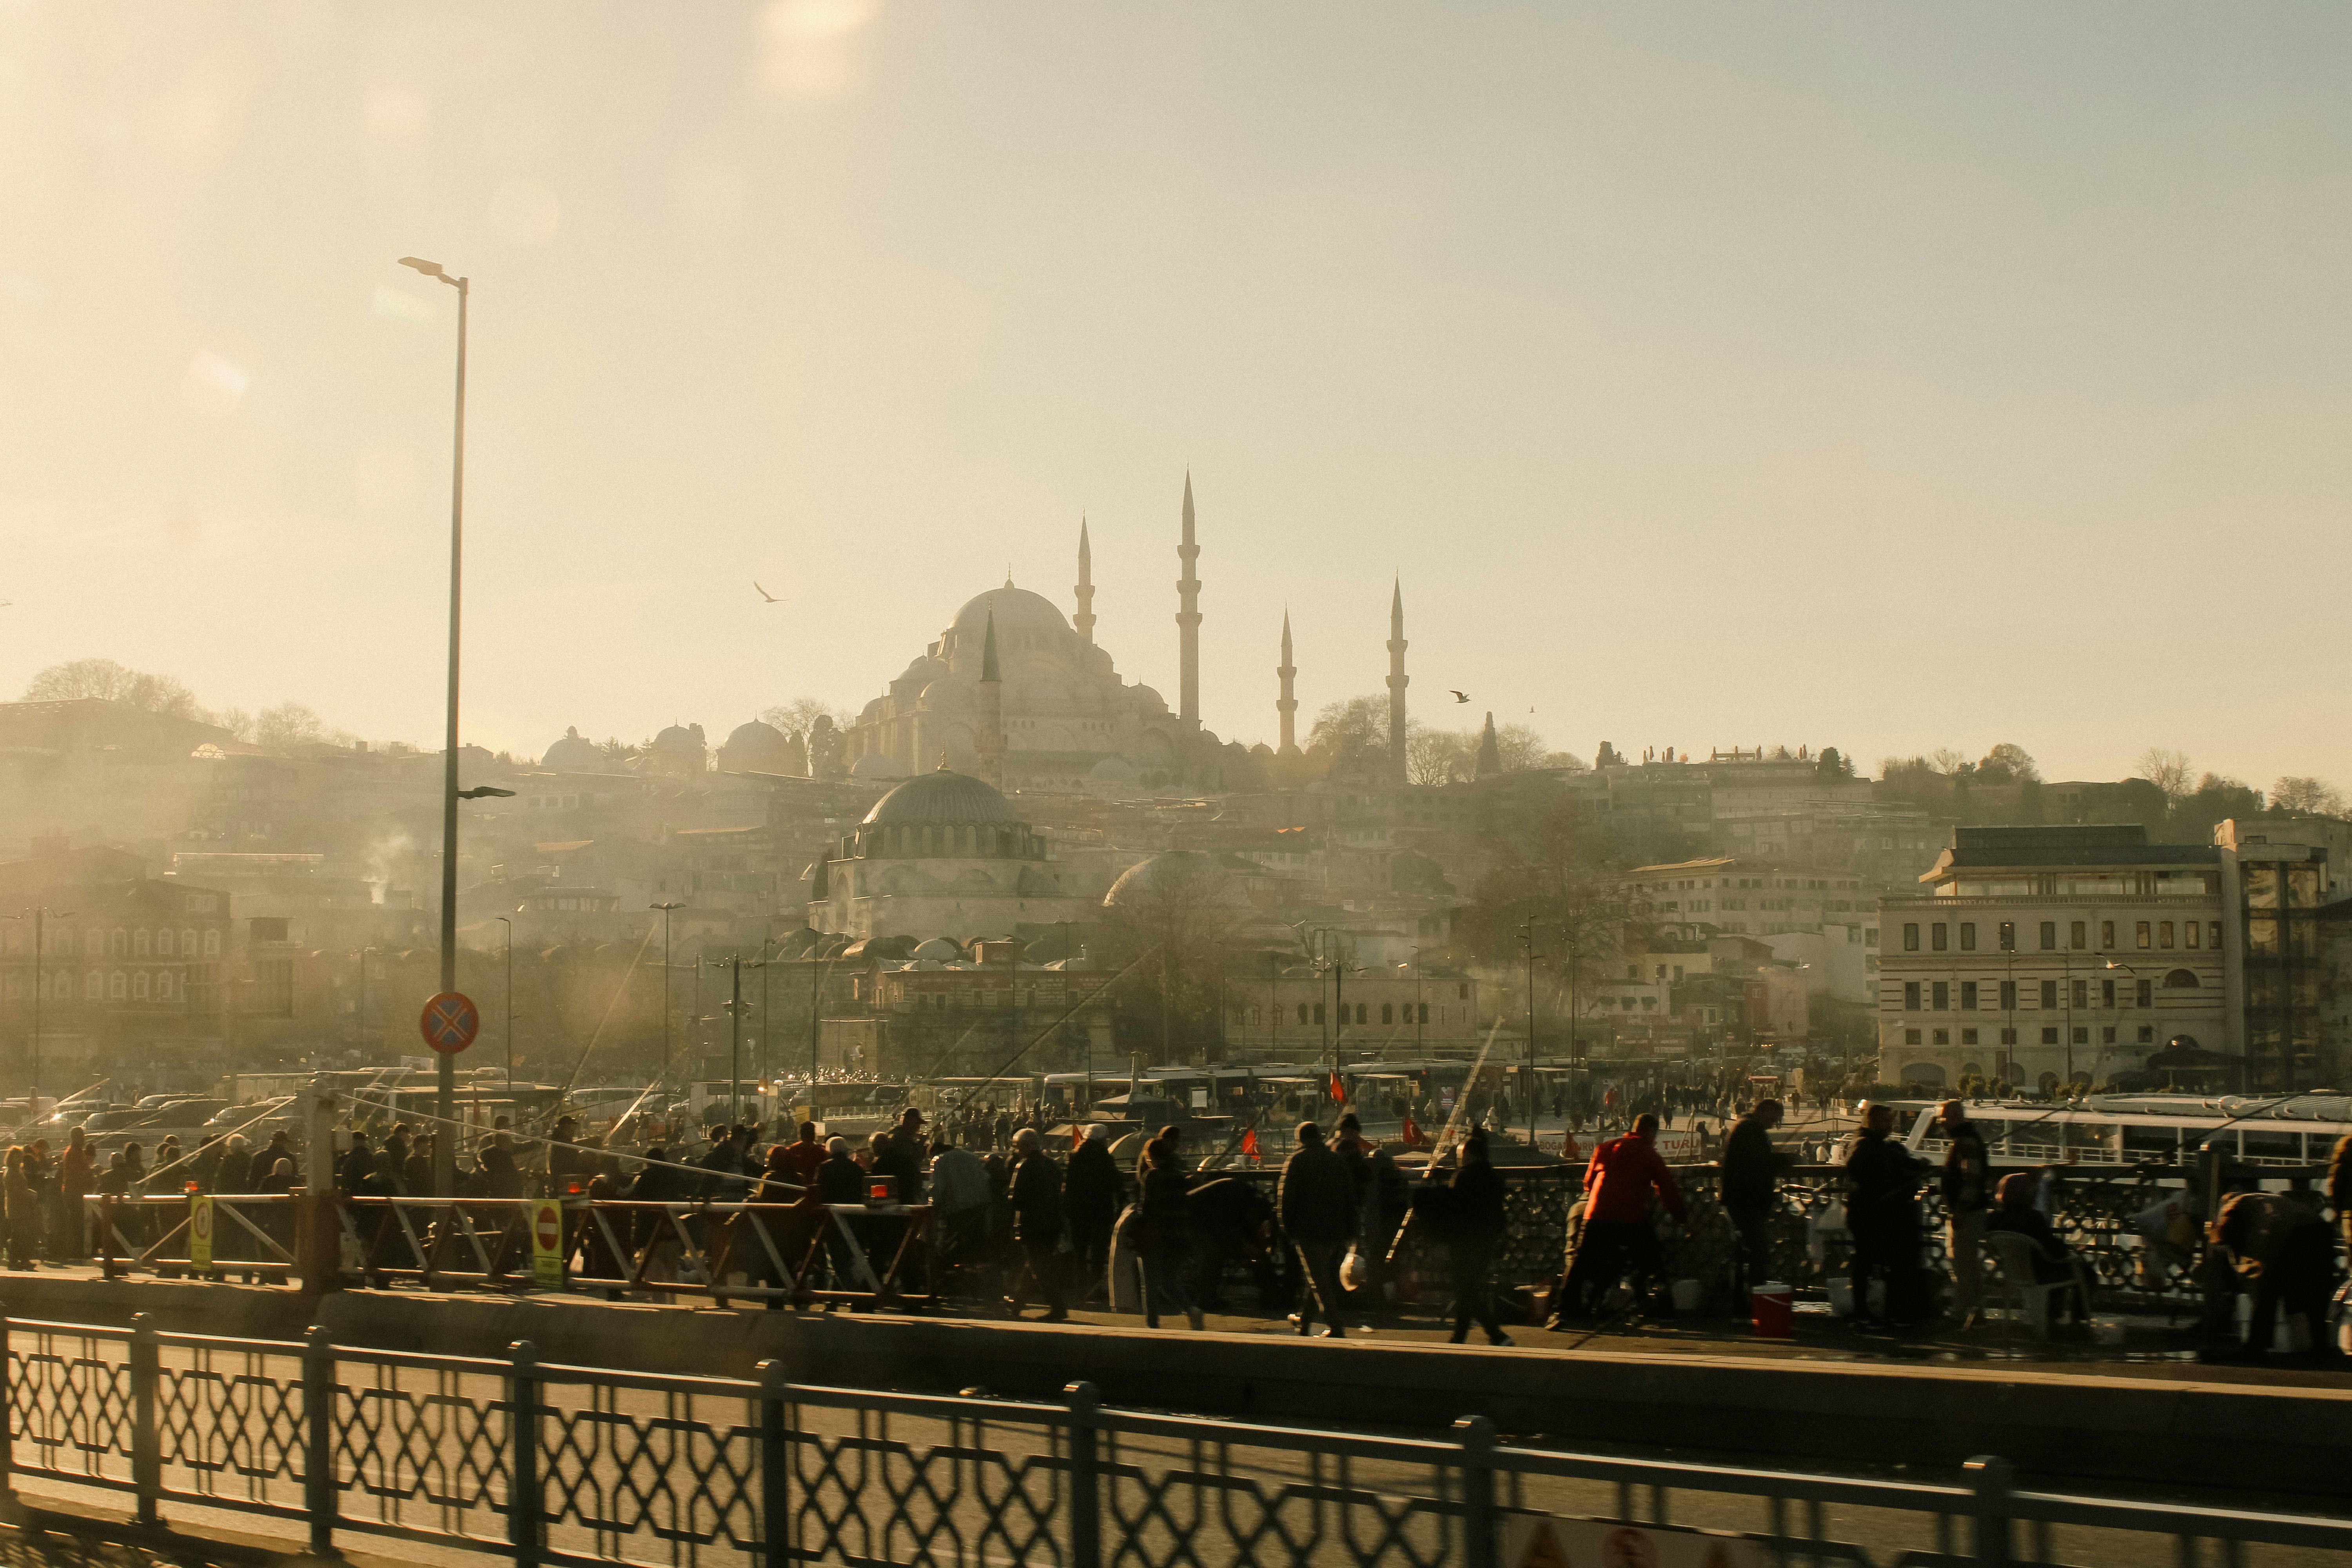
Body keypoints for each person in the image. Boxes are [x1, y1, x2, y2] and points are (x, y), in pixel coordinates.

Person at [1552, 1111, 1686, 1325]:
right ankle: (1660, 1307)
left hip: (1596, 1214)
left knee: (1580, 1263)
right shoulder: (1650, 1155)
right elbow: (1667, 1191)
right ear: (1651, 1134)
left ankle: (1563, 1311)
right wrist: (1682, 1218)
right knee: (1652, 1261)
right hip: (1631, 1218)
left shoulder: (1605, 1147)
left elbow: (1588, 1183)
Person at [2201, 1186, 2336, 1355]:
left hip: (2295, 1233)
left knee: (2266, 1290)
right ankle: (2320, 1343)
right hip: (2318, 1227)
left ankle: (2258, 1344)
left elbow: (2259, 1276)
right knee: (2316, 1291)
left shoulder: (2234, 1211)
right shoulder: (2258, 1201)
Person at [1840, 1102, 1927, 1327]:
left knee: (1869, 1263)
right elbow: (1860, 1173)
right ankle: (1867, 1311)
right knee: (1867, 1263)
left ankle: (1873, 1311)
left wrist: (1916, 1166)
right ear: (1873, 1121)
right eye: (1886, 1121)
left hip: (1873, 1214)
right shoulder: (1866, 1145)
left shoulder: (1876, 1145)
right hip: (1870, 1214)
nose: (1891, 1125)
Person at [1277, 1122, 1357, 1338]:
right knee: (1318, 1274)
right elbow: (1349, 1195)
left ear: (1300, 1140)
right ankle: (1304, 1322)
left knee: (1318, 1279)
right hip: (1335, 1229)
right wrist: (1352, 1228)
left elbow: (1287, 1199)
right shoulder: (1336, 1159)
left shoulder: (1297, 1161)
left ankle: (1336, 1325)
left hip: (1308, 1228)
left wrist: (1287, 1228)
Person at [1985, 1172, 2091, 1327]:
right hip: (2038, 1271)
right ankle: (2077, 1321)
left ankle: (2053, 1316)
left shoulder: (1996, 1220)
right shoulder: (2033, 1218)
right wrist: (2069, 1251)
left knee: (2059, 1269)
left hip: (2013, 1271)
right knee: (2085, 1273)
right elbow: (2052, 1248)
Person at [1442, 1131, 1512, 1346]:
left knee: (1467, 1290)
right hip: (1487, 1241)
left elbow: (1453, 1209)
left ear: (1470, 1155)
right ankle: (1464, 1336)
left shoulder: (1464, 1177)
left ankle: (1494, 1334)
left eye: (1462, 1154)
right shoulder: (1493, 1178)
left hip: (1465, 1242)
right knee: (1470, 1288)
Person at [1717, 1099, 1784, 1306]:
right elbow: (1759, 1164)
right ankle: (1754, 1299)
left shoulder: (1744, 1127)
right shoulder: (1750, 1131)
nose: (1775, 1123)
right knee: (1758, 1251)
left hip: (1740, 1200)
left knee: (1743, 1251)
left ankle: (1742, 1299)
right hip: (1746, 1202)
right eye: (1774, 1118)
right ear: (1765, 1112)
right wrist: (1783, 1161)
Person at [1134, 1136, 1203, 1330]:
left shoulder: (1152, 1176)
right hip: (1176, 1236)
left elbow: (1145, 1209)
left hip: (1155, 1236)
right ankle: (1191, 1310)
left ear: (1151, 1157)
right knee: (1170, 1279)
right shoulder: (1179, 1177)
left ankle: (1153, 1323)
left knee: (1151, 1283)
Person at [1936, 1100, 1992, 1325]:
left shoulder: (1965, 1143)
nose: (1942, 1123)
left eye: (1944, 1118)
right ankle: (1976, 1312)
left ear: (1955, 1118)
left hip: (1966, 1215)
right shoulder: (1966, 1140)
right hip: (1972, 1212)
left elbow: (1971, 1180)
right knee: (1970, 1266)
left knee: (1962, 1265)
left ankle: (1961, 1314)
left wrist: (1959, 1210)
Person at [1004, 1127, 1067, 1322]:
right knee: (1036, 1263)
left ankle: (1058, 1308)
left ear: (1023, 1147)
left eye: (1016, 1147)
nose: (1015, 1151)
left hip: (1032, 1224)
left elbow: (1016, 1200)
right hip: (1053, 1223)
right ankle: (1018, 1303)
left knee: (1039, 1267)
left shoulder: (1024, 1167)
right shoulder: (1053, 1165)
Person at [926, 1131, 994, 1292]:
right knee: (973, 1244)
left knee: (948, 1244)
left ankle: (947, 1279)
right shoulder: (971, 1157)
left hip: (958, 1209)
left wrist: (931, 1206)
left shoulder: (940, 1161)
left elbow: (939, 1188)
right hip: (981, 1207)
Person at [1062, 1125, 1124, 1299]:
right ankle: (1095, 1288)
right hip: (1099, 1211)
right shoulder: (1103, 1156)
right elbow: (1115, 1181)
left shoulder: (1075, 1155)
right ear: (1102, 1139)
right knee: (1098, 1251)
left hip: (1077, 1212)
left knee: (1080, 1252)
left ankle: (1080, 1287)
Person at [3, 1149, 36, 1270]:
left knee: (22, 1235)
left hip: (21, 1207)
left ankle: (23, 1260)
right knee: (18, 1235)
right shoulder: (11, 1172)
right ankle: (14, 1261)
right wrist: (28, 1194)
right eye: (16, 1157)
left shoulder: (18, 1170)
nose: (19, 1159)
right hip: (16, 1208)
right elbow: (15, 1191)